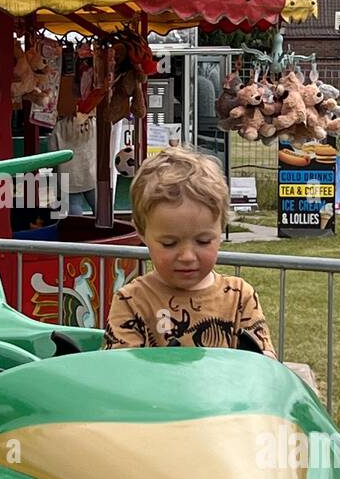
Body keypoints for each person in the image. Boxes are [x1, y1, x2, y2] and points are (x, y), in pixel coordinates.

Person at [103, 145, 276, 354]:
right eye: (169, 243)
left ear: (220, 230)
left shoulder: (240, 297)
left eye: (203, 241)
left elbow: (264, 367)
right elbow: (119, 375)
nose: (187, 257)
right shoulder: (132, 301)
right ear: (141, 232)